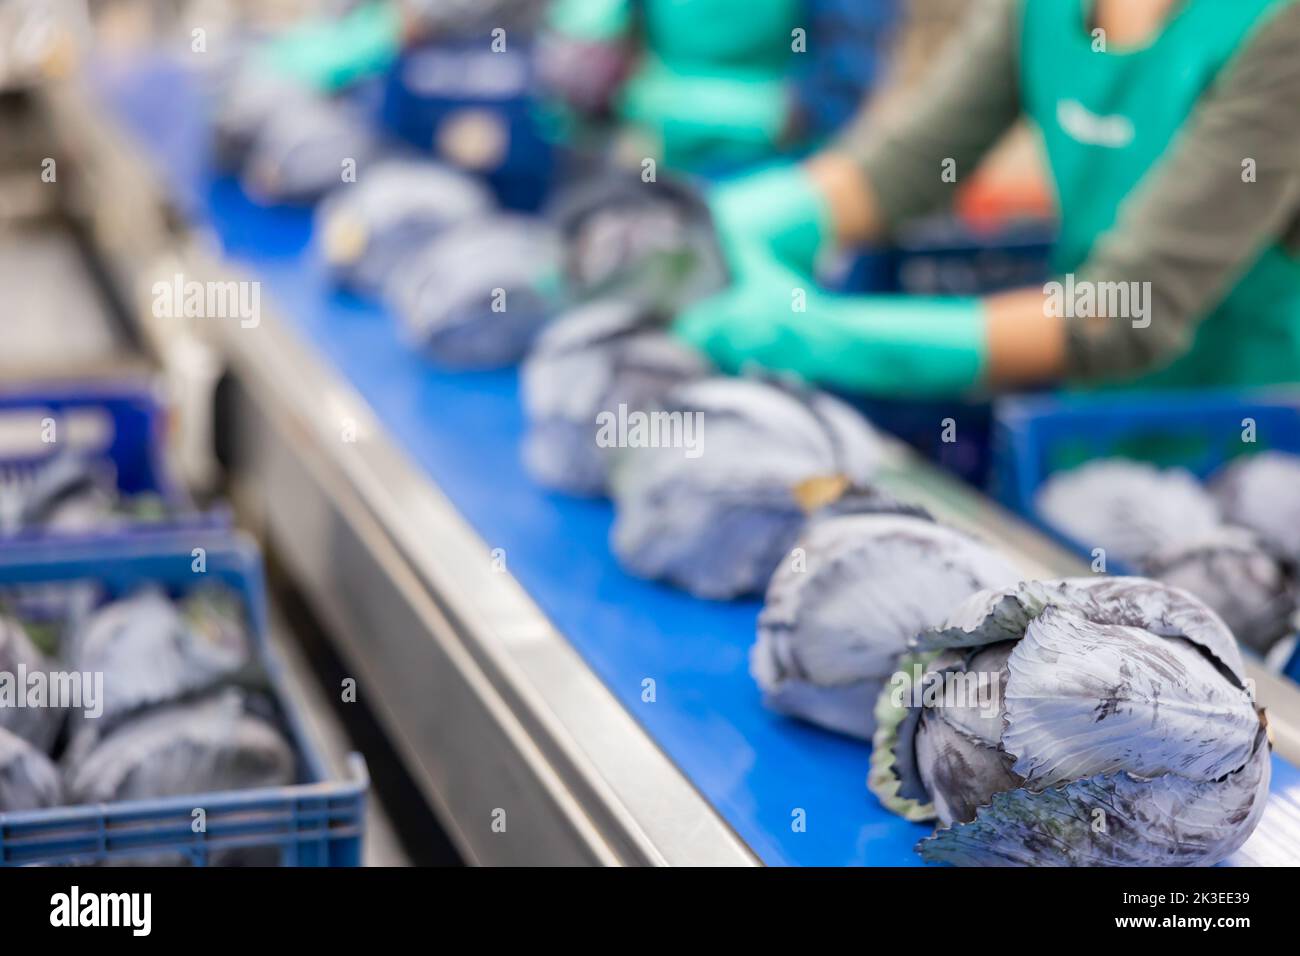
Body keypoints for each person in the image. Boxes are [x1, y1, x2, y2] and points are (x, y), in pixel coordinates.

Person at [675, 0, 1300, 396]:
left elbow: (1124, 311)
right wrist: (731, 221)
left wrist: (828, 336)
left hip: (1245, 420)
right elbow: (911, 165)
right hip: (1085, 418)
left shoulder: (1277, 30)